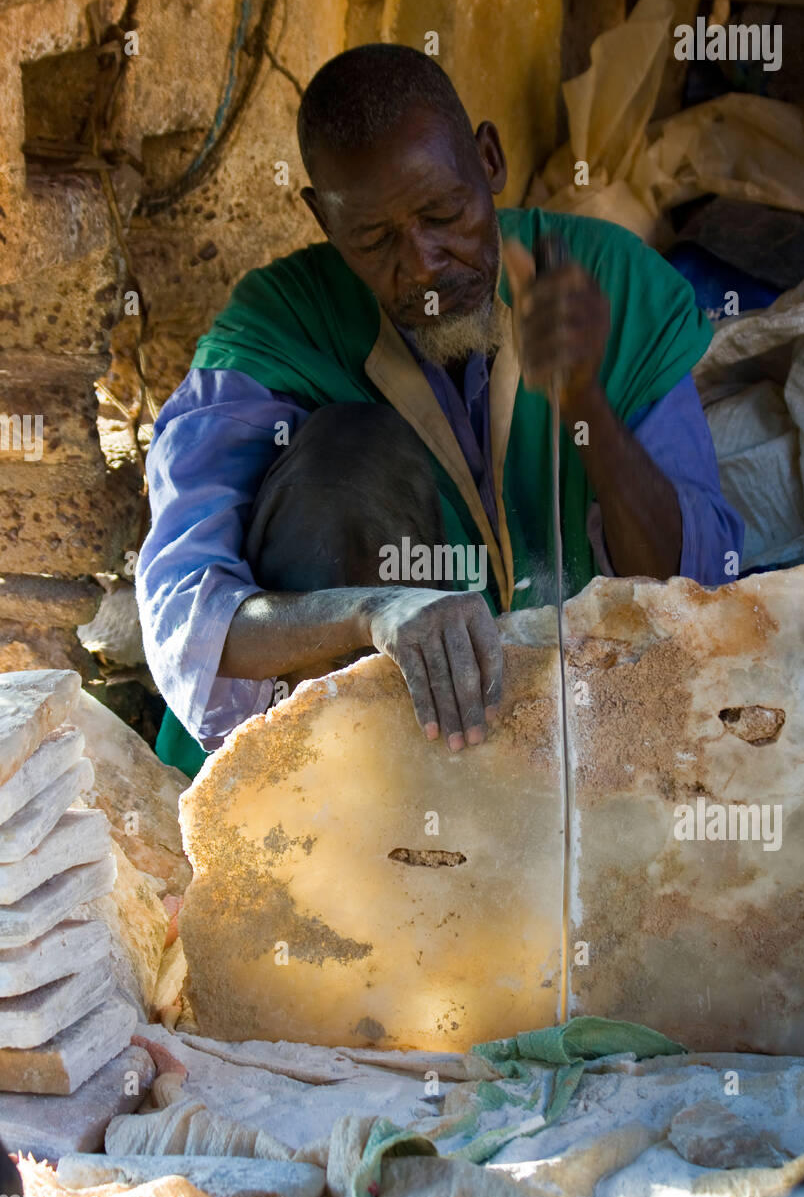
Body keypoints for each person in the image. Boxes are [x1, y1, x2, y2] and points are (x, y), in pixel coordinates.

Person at [136, 43, 744, 777]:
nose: (423, 263)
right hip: (348, 764)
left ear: (489, 161)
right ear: (321, 220)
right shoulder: (273, 329)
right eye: (374, 239)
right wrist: (372, 612)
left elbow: (698, 588)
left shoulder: (612, 286)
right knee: (349, 453)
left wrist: (588, 405)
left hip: (577, 734)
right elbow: (183, 613)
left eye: (443, 213)